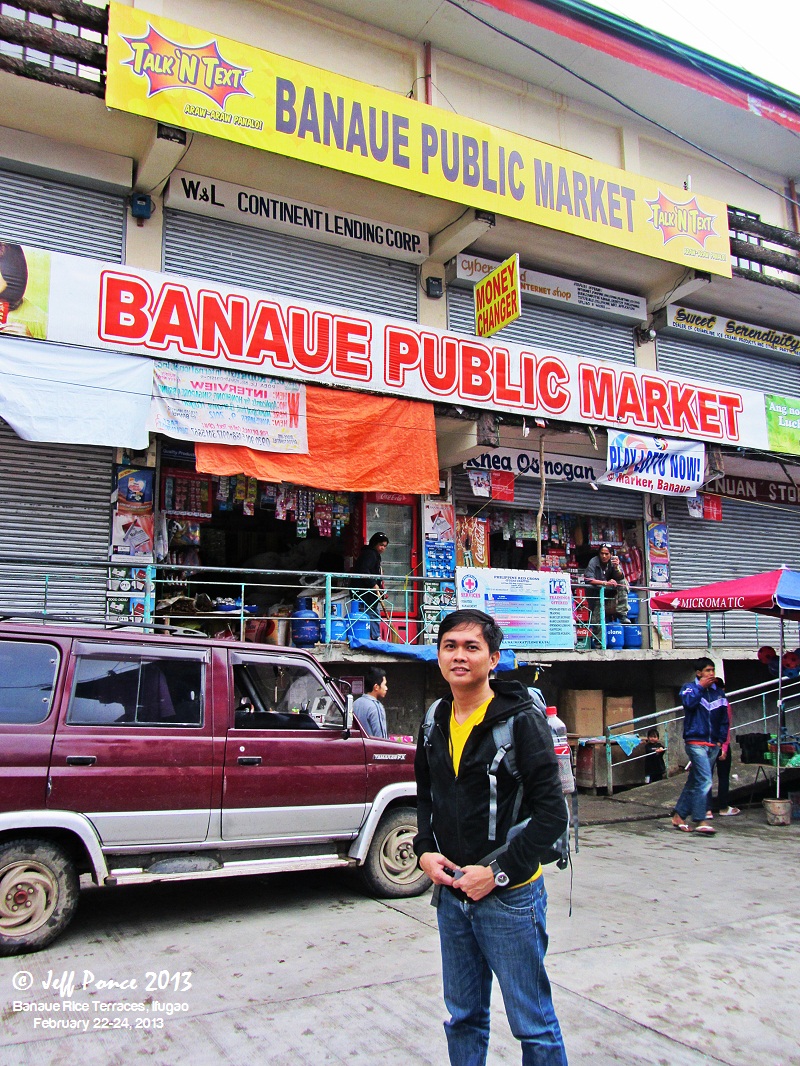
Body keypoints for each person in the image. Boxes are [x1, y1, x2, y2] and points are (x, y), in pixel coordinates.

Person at [413, 608, 569, 1066]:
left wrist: (496, 873)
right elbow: (425, 793)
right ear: (438, 655)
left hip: (511, 899)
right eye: (449, 646)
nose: (459, 656)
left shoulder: (520, 721)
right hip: (452, 895)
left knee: (533, 1025)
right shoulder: (434, 718)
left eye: (471, 647)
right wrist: (424, 850)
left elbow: (552, 816)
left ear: (494, 658)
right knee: (463, 1017)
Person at [671, 657, 730, 835]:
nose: (711, 674)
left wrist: (720, 741)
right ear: (699, 673)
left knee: (695, 780)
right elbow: (688, 703)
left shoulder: (719, 693)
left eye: (713, 670)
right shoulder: (689, 688)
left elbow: (724, 719)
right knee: (705, 780)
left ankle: (679, 815)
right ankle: (701, 818)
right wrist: (701, 687)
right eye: (707, 671)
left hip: (713, 744)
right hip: (695, 742)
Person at [705, 679, 740, 818]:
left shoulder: (705, 703)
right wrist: (724, 747)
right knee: (723, 776)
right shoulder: (724, 704)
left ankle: (707, 809)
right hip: (719, 743)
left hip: (707, 744)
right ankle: (722, 807)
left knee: (707, 777)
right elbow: (726, 726)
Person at [583, 543, 628, 630]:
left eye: (606, 554)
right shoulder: (594, 561)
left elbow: (620, 577)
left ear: (611, 554)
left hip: (610, 594)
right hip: (596, 594)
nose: (604, 556)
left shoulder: (613, 561)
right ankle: (598, 639)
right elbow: (588, 579)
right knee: (597, 625)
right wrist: (605, 583)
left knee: (623, 582)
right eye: (602, 553)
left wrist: (616, 568)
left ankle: (622, 614)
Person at [353, 531, 388, 640]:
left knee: (372, 613)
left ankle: (372, 636)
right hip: (365, 591)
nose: (383, 548)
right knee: (372, 613)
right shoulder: (370, 554)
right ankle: (375, 637)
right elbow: (364, 570)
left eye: (385, 546)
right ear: (375, 543)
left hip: (368, 591)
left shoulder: (373, 554)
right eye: (381, 545)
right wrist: (373, 584)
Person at [353, 666, 388, 738]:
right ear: (376, 687)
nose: (386, 688)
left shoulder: (355, 703)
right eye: (384, 685)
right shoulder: (376, 706)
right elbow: (381, 738)